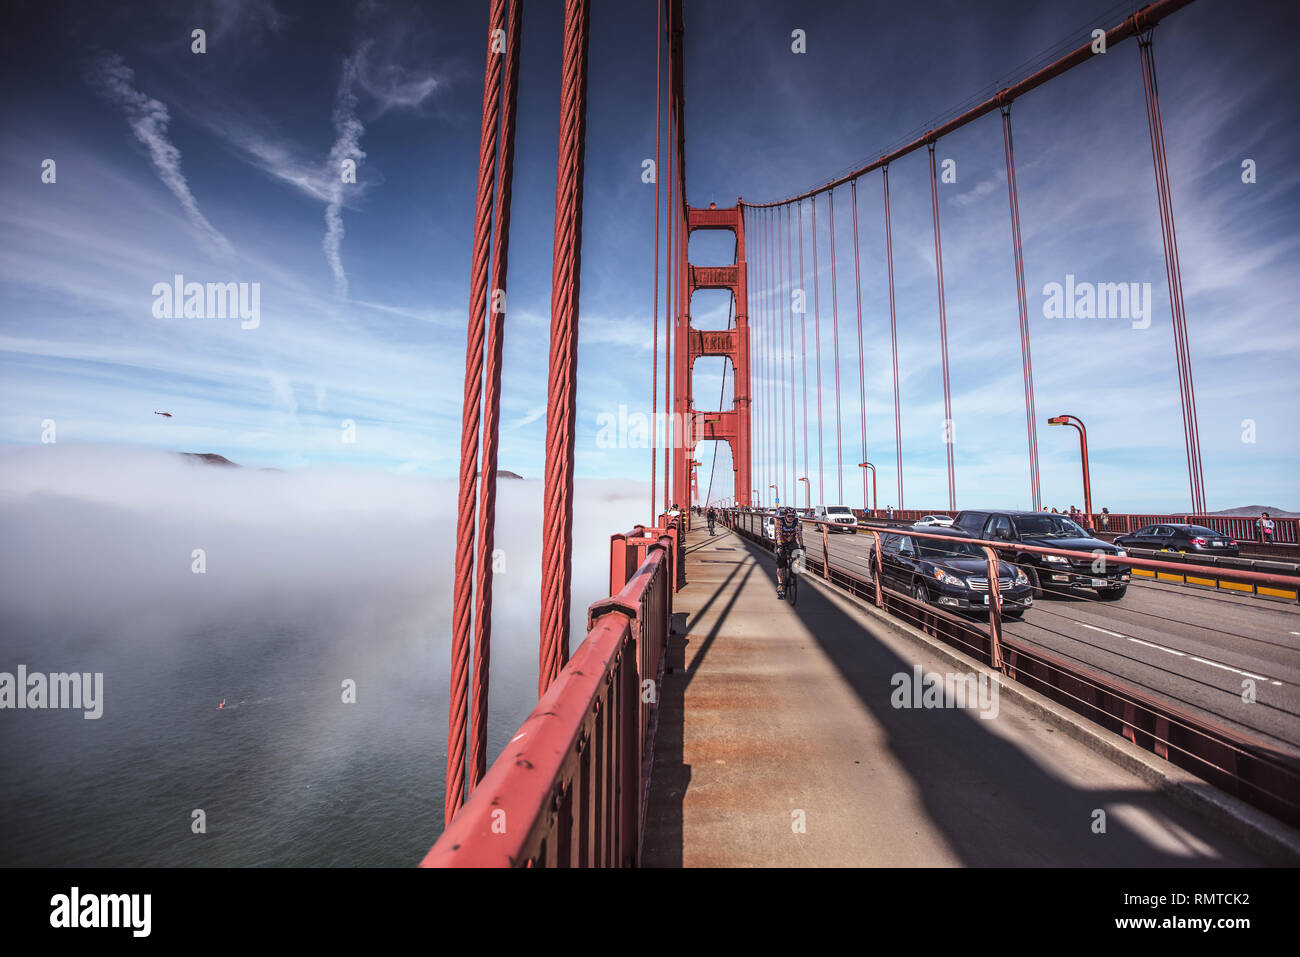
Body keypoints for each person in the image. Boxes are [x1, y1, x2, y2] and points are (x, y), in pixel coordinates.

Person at [774, 506, 804, 600]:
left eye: (792, 516)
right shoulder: (780, 522)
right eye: (789, 516)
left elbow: (799, 534)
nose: (791, 518)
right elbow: (778, 534)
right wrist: (779, 546)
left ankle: (793, 571)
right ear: (785, 516)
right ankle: (780, 585)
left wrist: (802, 545)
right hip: (781, 542)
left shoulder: (796, 522)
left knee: (798, 553)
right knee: (780, 566)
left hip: (791, 542)